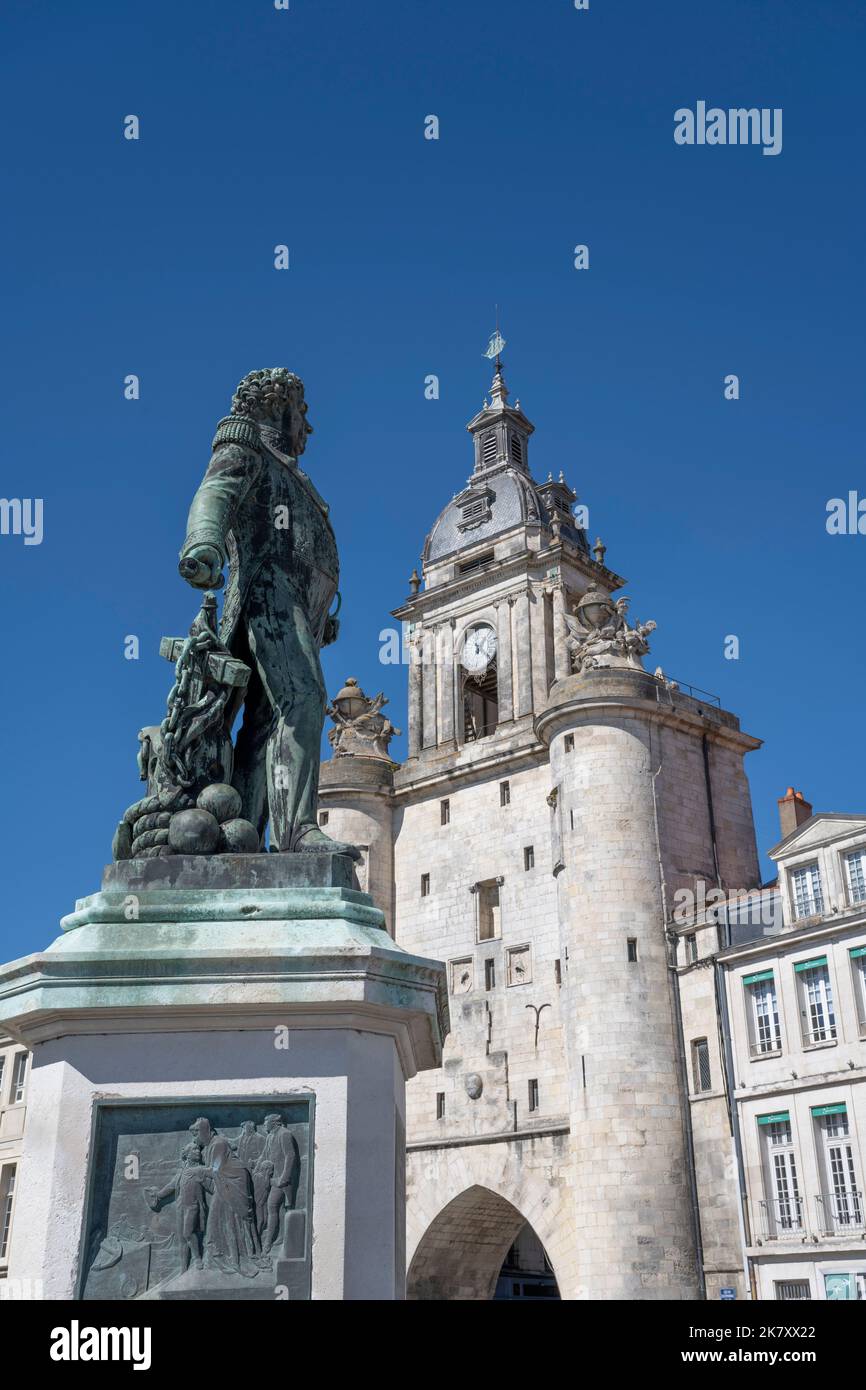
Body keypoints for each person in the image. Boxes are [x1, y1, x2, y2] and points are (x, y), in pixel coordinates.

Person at [178, 367, 360, 857]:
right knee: (303, 699)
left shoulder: (288, 470)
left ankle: (248, 837)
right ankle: (298, 831)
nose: (309, 426)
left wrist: (321, 616)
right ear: (280, 404)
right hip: (267, 594)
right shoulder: (247, 446)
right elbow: (214, 493)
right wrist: (204, 545)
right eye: (304, 412)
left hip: (292, 606)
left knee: (264, 726)